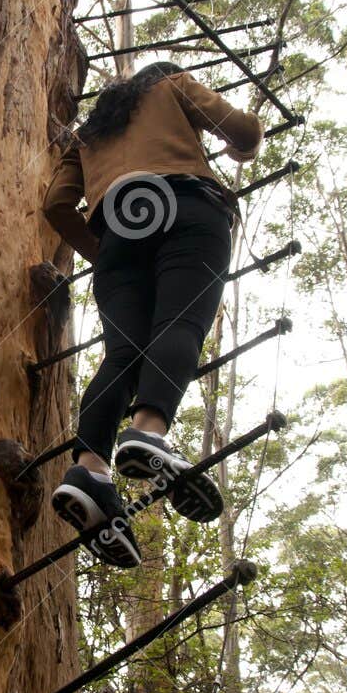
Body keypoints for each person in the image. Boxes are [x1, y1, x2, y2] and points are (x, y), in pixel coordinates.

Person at [41, 59, 264, 568]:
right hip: (187, 208)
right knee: (180, 322)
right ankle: (147, 430)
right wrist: (243, 149)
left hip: (119, 229)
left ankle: (90, 470)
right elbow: (243, 127)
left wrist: (106, 253)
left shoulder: (89, 136)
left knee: (122, 353)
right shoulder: (171, 86)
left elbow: (56, 204)